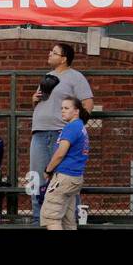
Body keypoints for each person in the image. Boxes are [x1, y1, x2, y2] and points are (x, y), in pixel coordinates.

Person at [28, 43, 94, 226]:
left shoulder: (76, 77)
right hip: (39, 131)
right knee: (36, 176)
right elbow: (42, 102)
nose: (49, 54)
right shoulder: (48, 76)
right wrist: (34, 100)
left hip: (60, 132)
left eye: (54, 52)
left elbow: (87, 103)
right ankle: (37, 217)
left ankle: (71, 218)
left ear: (64, 58)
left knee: (64, 176)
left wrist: (77, 125)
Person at [40, 96, 92, 231]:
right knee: (68, 221)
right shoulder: (81, 127)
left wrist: (48, 170)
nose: (63, 111)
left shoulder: (71, 127)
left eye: (67, 108)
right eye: (62, 108)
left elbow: (60, 153)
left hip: (64, 177)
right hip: (75, 178)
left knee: (51, 218)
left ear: (76, 111)